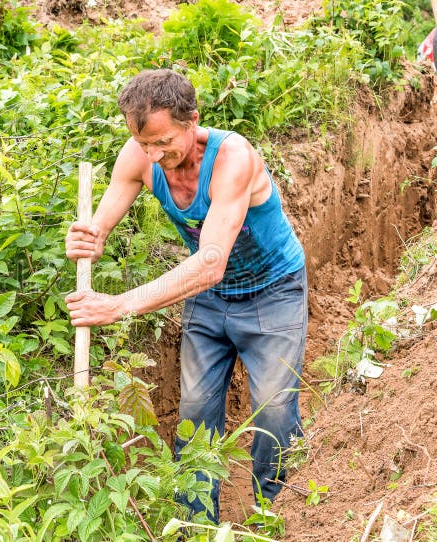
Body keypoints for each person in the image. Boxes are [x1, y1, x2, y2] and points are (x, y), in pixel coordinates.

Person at [65, 69, 307, 522]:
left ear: (192, 119)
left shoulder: (233, 158)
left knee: (274, 412)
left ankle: (274, 515)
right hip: (210, 302)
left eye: (162, 143)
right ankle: (195, 524)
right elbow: (99, 225)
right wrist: (89, 237)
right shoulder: (139, 155)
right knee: (195, 415)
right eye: (143, 144)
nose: (153, 156)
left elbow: (210, 262)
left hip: (272, 293)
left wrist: (118, 305)